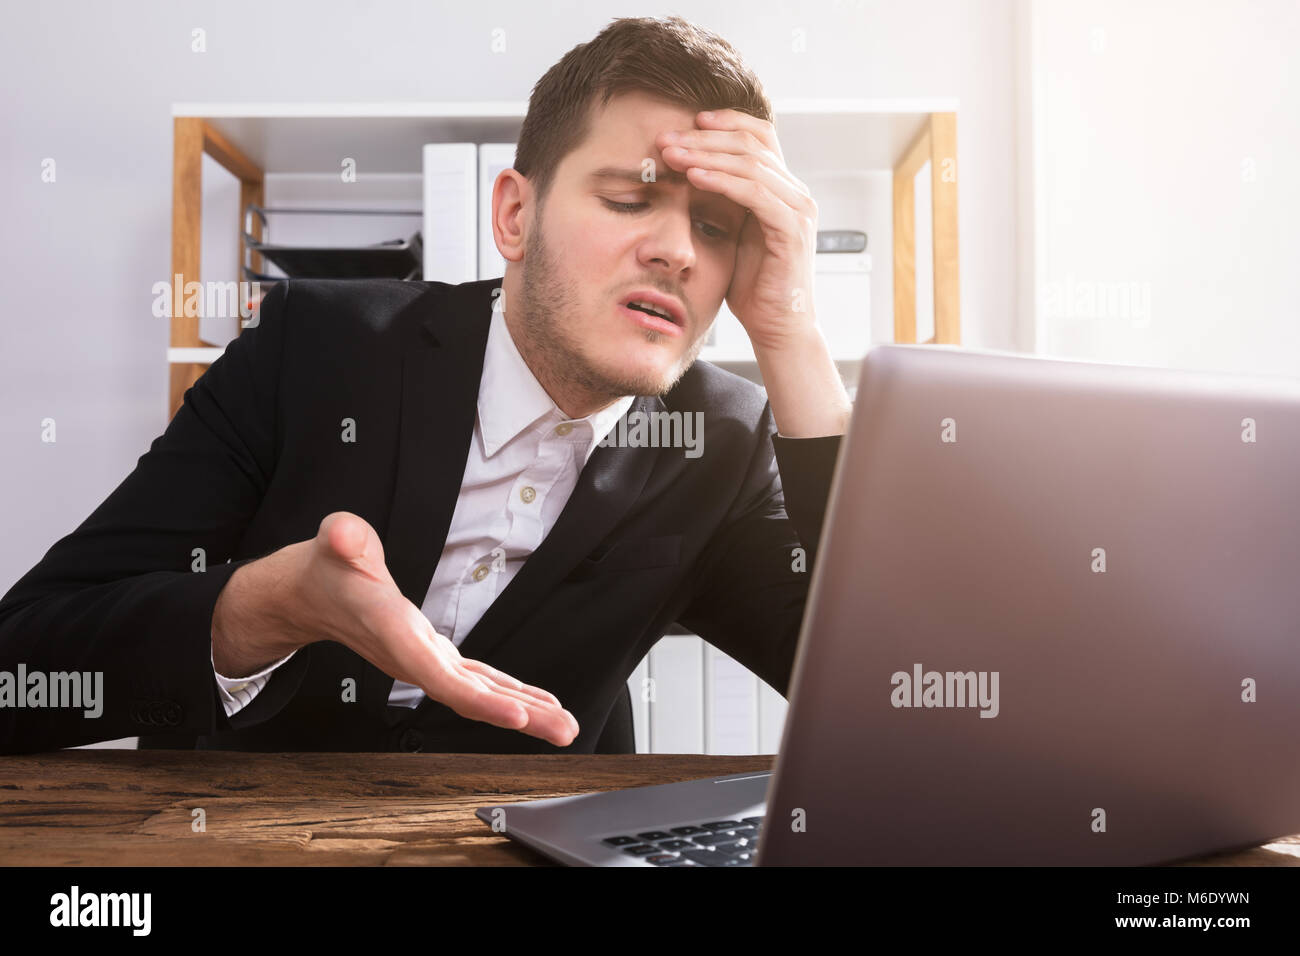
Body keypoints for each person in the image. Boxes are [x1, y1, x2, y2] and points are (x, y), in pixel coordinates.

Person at [0, 15, 848, 754]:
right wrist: (267, 610)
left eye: (716, 226)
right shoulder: (314, 348)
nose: (681, 252)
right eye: (632, 200)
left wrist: (794, 334)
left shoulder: (722, 441)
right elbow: (20, 667)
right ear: (515, 216)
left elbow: (877, 694)